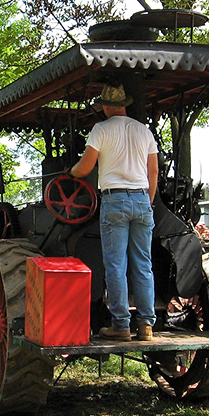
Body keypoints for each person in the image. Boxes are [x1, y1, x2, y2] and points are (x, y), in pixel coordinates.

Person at [68, 83, 158, 342]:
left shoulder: (101, 129)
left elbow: (85, 167)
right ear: (125, 104)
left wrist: (70, 172)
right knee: (143, 265)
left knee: (116, 265)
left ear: (106, 106)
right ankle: (146, 325)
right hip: (142, 200)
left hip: (115, 200)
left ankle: (121, 325)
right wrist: (147, 202)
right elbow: (153, 172)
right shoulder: (144, 132)